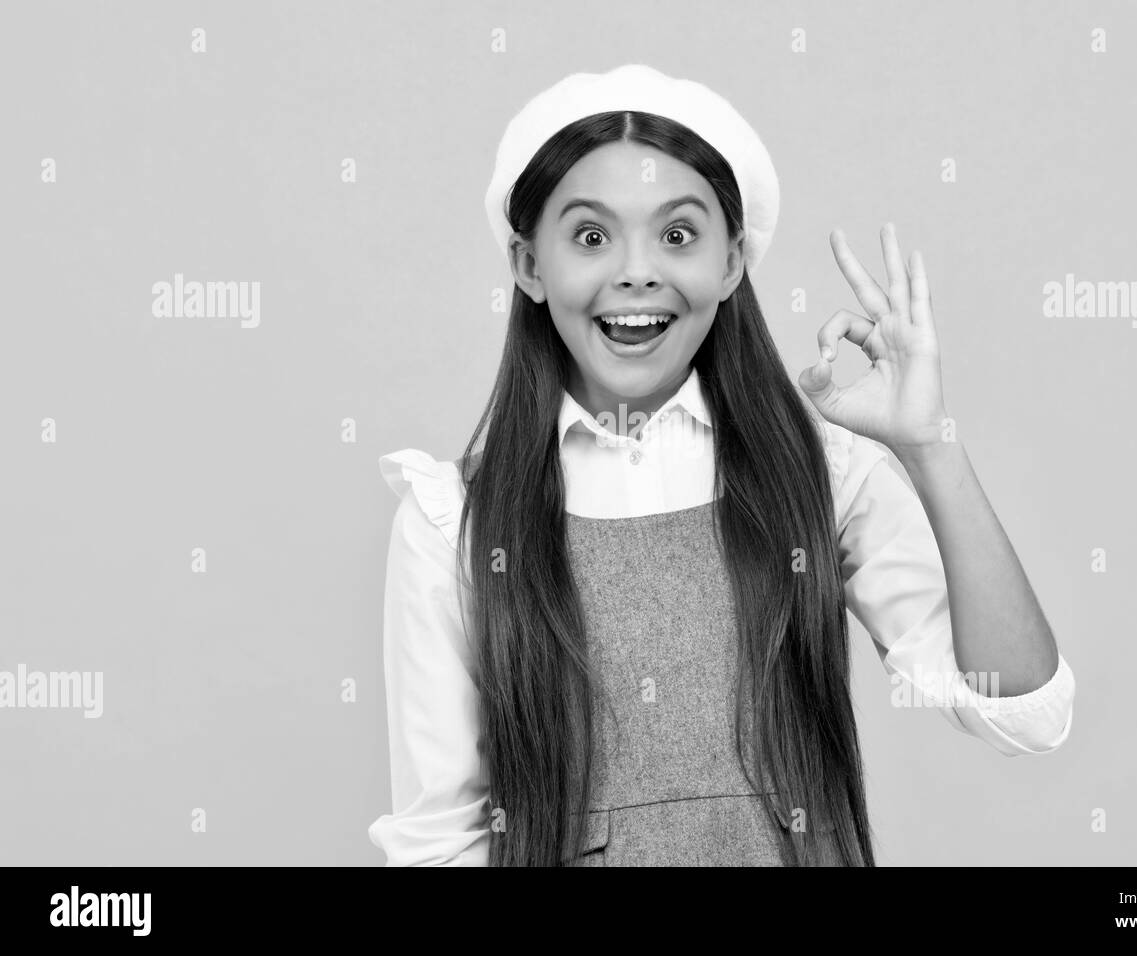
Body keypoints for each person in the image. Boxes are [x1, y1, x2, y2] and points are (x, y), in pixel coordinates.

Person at [369, 63, 1076, 867]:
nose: (637, 272)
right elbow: (440, 845)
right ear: (529, 266)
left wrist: (928, 445)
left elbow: (1025, 711)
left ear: (733, 262)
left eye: (677, 235)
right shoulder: (450, 520)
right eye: (591, 236)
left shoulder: (823, 473)